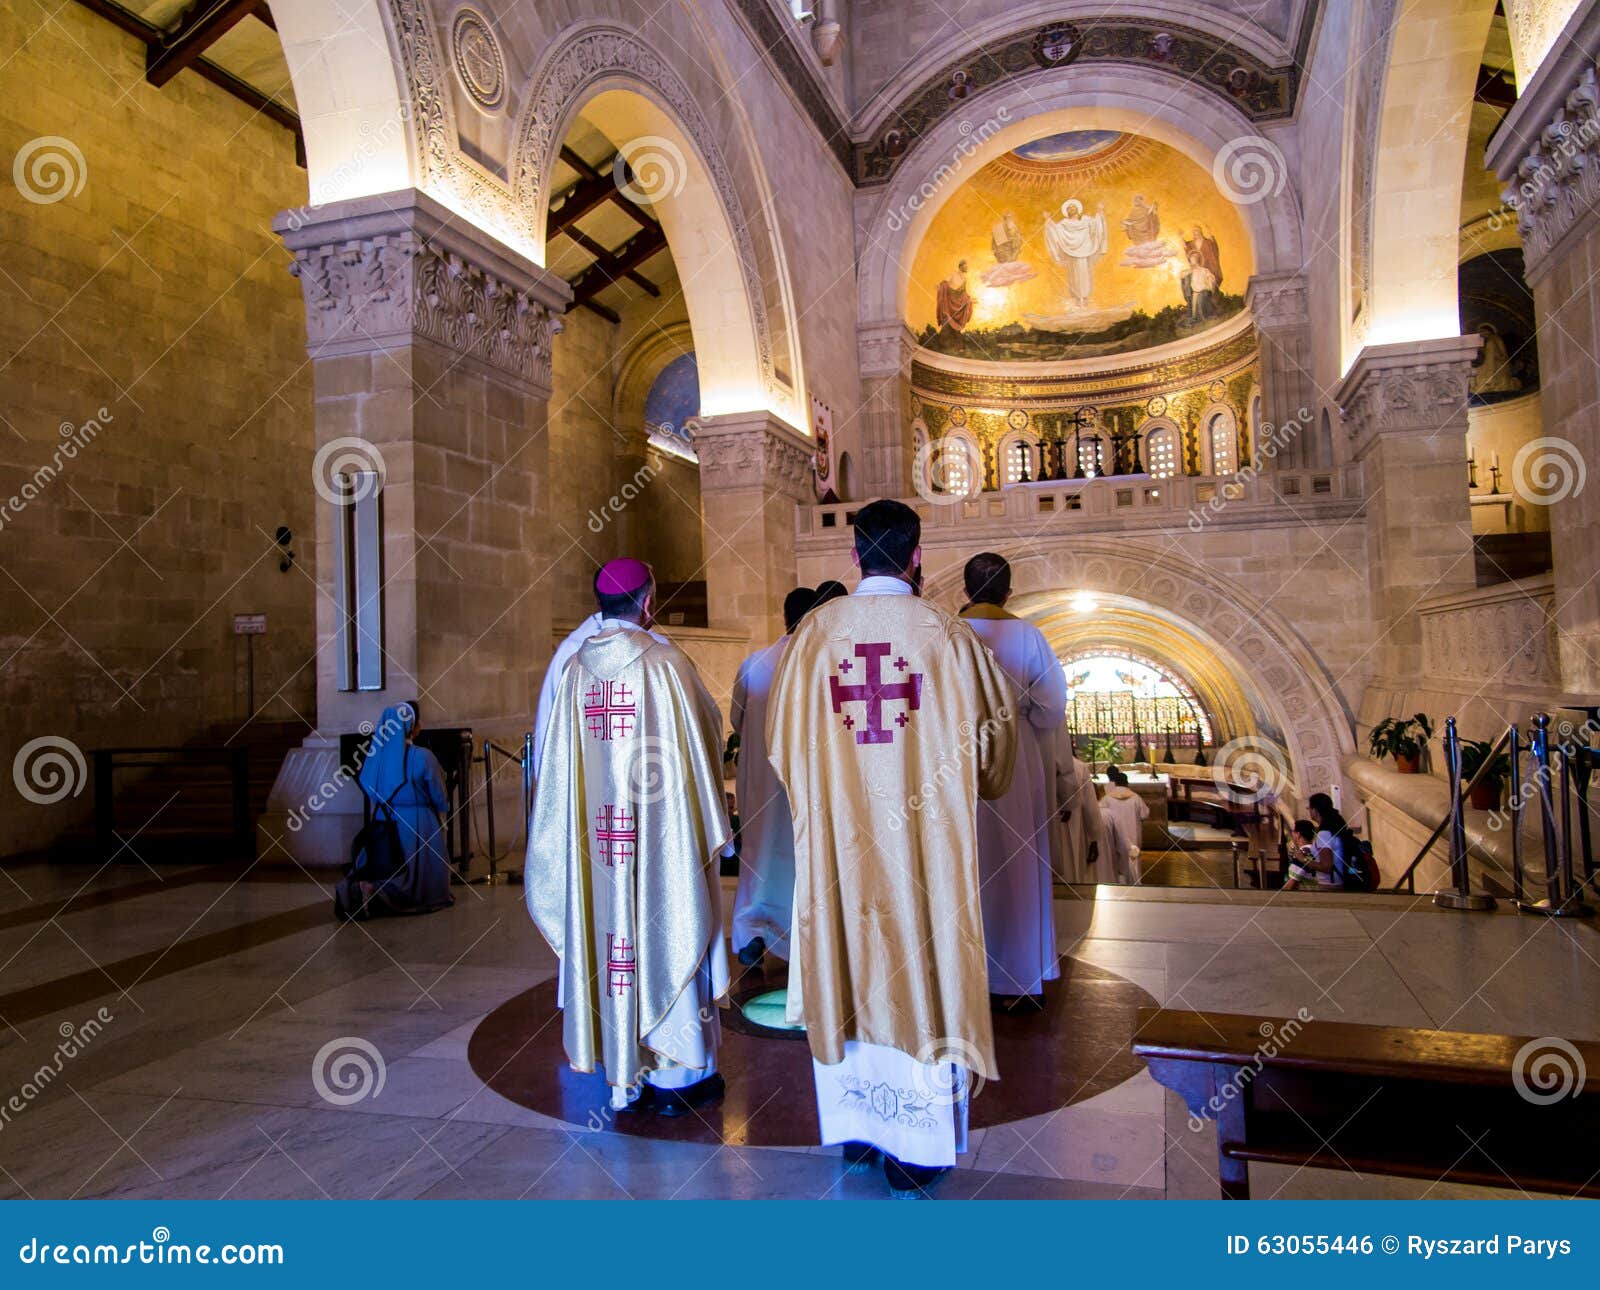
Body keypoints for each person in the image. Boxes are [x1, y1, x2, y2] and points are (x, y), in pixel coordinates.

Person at [767, 499, 1017, 1198]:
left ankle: (858, 1133)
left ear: (853, 556)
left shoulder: (815, 635)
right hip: (924, 855)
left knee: (848, 959)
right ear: (915, 555)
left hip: (842, 849)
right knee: (923, 963)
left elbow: (782, 746)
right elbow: (993, 753)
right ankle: (916, 1147)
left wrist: (829, 787)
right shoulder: (949, 636)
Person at [524, 558, 731, 1117]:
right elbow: (707, 731)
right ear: (649, 599)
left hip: (599, 843)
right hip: (659, 836)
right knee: (667, 921)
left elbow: (551, 763)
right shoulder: (665, 664)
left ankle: (622, 1075)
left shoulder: (572, 668)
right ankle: (678, 1074)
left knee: (608, 939)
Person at [959, 553, 1067, 1010]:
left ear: (964, 592)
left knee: (965, 863)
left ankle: (962, 976)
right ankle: (1019, 975)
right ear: (1009, 591)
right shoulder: (1028, 635)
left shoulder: (946, 631)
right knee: (1017, 863)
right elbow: (1051, 705)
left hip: (956, 758)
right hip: (1016, 756)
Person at [728, 586, 813, 965]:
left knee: (758, 857)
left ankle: (752, 935)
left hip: (760, 781)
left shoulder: (755, 663)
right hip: (801, 781)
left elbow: (736, 720)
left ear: (784, 617)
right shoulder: (818, 663)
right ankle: (802, 944)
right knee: (798, 860)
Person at [533, 568, 669, 768]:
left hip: (587, 785)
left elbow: (548, 727)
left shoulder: (570, 653)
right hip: (647, 781)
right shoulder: (665, 656)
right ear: (647, 604)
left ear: (600, 601)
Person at [337, 701, 455, 920]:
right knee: (418, 881)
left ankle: (365, 889)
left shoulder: (376, 759)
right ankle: (378, 891)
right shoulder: (423, 756)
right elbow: (439, 794)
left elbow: (370, 787)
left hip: (386, 819)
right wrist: (441, 810)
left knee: (384, 864)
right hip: (420, 822)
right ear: (414, 727)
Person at [1051, 726, 1103, 884]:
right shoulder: (1080, 768)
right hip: (1071, 828)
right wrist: (1094, 839)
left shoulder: (1038, 763)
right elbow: (1090, 808)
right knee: (1072, 872)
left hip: (1047, 832)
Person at [1100, 765, 1150, 884]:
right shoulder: (1136, 798)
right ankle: (1135, 883)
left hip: (1115, 837)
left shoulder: (1107, 799)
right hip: (1133, 835)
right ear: (1127, 783)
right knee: (1133, 859)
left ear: (1115, 783)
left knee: (1116, 861)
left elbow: (1101, 816)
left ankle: (1118, 885)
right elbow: (1144, 814)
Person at [1282, 819, 1328, 890]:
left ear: (1298, 834)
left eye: (1293, 832)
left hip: (1306, 895)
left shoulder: (1301, 854)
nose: (1292, 834)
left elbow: (1291, 884)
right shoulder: (1318, 852)